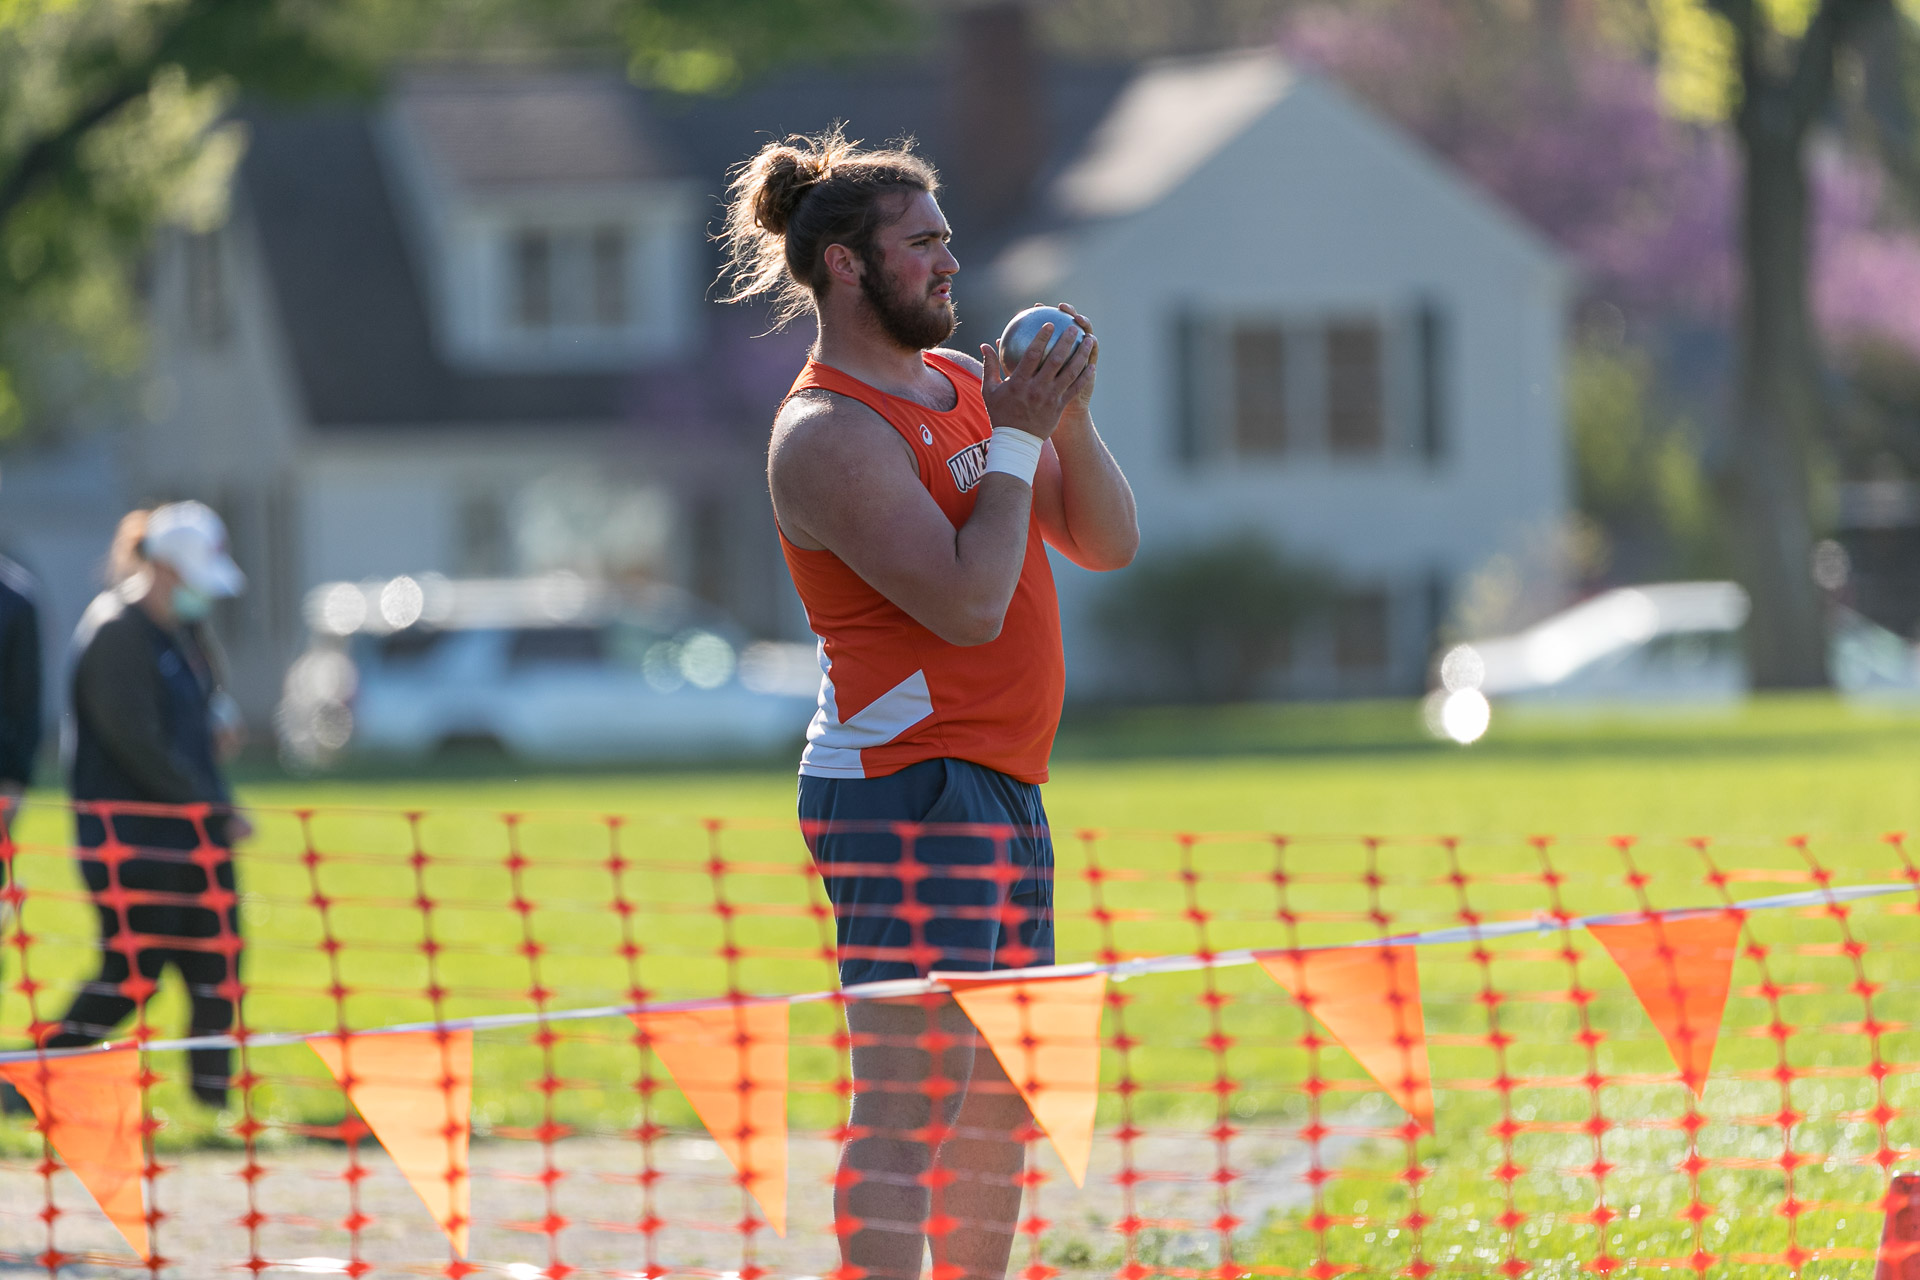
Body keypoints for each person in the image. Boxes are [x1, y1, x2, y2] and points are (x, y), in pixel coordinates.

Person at [721, 129, 1138, 1279]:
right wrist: (1014, 436)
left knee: (1002, 1106)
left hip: (1002, 778)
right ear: (848, 267)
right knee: (914, 1106)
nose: (952, 265)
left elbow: (1105, 542)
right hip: (908, 785)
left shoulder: (963, 386)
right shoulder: (828, 434)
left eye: (949, 240)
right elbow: (967, 605)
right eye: (924, 246)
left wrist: (1072, 419)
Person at [41, 502, 249, 1111]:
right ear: (159, 568)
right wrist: (212, 805)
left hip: (198, 840)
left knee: (218, 972)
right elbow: (138, 743)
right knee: (133, 977)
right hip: (134, 844)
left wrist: (219, 725)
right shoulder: (113, 632)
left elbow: (199, 707)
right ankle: (28, 1082)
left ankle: (213, 1107)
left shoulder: (183, 634)